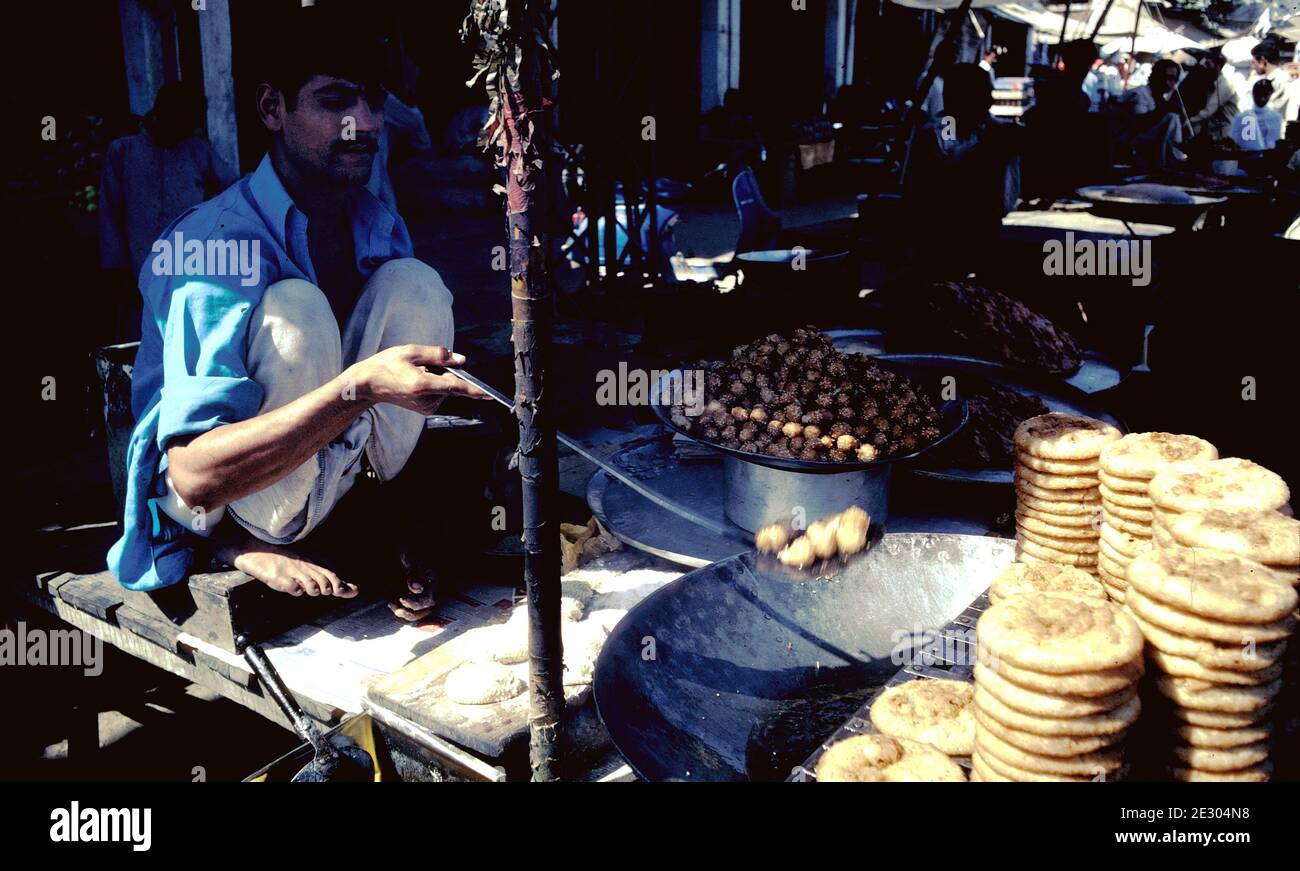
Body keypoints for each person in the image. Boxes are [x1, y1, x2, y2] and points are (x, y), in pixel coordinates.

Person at [106, 6, 491, 623]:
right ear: (271, 110)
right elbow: (193, 476)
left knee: (415, 284)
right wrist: (360, 388)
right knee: (297, 309)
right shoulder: (216, 250)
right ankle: (237, 543)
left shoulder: (376, 225)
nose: (361, 123)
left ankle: (358, 518)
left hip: (327, 476)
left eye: (372, 100)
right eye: (334, 100)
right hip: (228, 499)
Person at [99, 81, 236, 339]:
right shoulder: (124, 151)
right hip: (138, 274)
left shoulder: (196, 150)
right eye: (181, 122)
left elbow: (233, 188)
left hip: (187, 270)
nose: (186, 130)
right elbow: (110, 215)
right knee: (141, 344)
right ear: (162, 113)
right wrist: (116, 270)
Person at [903, 63, 1019, 277]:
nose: (990, 101)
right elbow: (950, 156)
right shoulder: (945, 124)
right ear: (961, 98)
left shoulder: (984, 125)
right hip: (943, 234)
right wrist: (991, 144)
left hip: (983, 228)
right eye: (983, 94)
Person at [1117, 58, 1185, 170]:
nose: (1171, 83)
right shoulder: (1139, 94)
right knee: (1171, 117)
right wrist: (1164, 110)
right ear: (1157, 76)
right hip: (1132, 143)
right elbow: (1139, 124)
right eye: (1168, 78)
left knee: (1174, 116)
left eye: (1174, 80)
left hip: (1149, 145)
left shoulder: (1161, 98)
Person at [1186, 49, 1238, 146]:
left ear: (1217, 67)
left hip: (1226, 132)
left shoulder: (1225, 84)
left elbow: (1208, 110)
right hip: (1212, 131)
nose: (1204, 66)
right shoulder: (1210, 80)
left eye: (1208, 64)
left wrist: (1187, 122)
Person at [1232, 79, 1283, 151]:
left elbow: (1275, 142)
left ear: (1270, 94)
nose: (1262, 98)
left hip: (1270, 159)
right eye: (1258, 94)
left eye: (1266, 94)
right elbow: (1236, 142)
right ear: (1253, 93)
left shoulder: (1276, 117)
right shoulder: (1241, 117)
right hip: (1248, 158)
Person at [1249, 40, 1291, 119]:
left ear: (1262, 61)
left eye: (1254, 63)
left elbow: (1272, 108)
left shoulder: (1282, 81)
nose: (1253, 67)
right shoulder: (1263, 80)